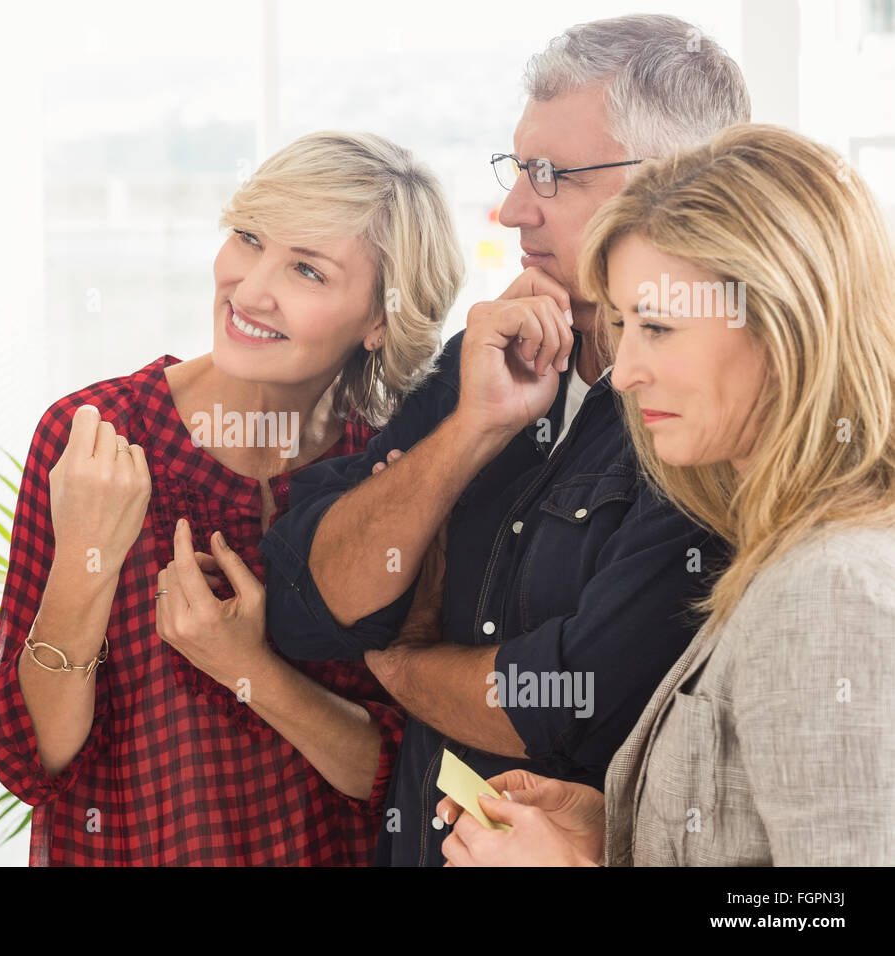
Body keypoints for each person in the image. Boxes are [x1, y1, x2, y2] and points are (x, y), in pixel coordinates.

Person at [260, 14, 749, 866]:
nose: (511, 208)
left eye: (552, 176)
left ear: (675, 183)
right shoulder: (489, 349)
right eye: (518, 169)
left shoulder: (704, 413)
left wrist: (404, 660)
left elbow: (567, 702)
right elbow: (306, 601)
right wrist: (468, 433)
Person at [0, 130, 464, 865]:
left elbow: (403, 781)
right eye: (249, 237)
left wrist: (250, 669)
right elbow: (25, 758)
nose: (250, 287)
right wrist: (86, 558)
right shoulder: (95, 440)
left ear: (379, 321)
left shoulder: (396, 477)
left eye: (306, 269)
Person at [438, 124, 895, 867]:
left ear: (784, 328)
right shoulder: (784, 551)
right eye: (623, 325)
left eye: (658, 327)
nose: (623, 372)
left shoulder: (832, 588)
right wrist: (621, 831)